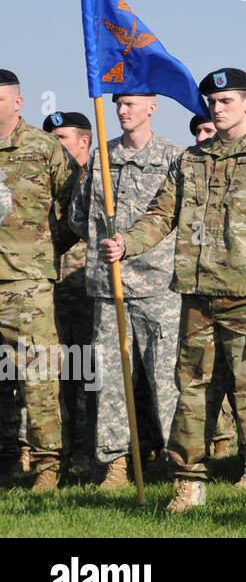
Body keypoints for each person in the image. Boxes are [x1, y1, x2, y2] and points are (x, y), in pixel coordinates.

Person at [99, 68, 246, 516]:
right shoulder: (190, 160)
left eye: (225, 102)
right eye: (211, 103)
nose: (216, 110)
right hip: (198, 298)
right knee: (193, 393)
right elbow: (161, 215)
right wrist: (127, 244)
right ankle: (188, 483)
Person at [69, 94, 184, 490]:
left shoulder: (173, 157)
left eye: (132, 104)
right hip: (109, 286)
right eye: (119, 104)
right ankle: (115, 463)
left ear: (152, 107)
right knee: (112, 381)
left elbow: (182, 216)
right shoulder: (101, 156)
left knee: (167, 379)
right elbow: (78, 214)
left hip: (159, 285)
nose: (122, 111)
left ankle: (178, 465)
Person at [0, 70, 79, 491]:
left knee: (39, 375)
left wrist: (46, 250)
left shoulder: (43, 148)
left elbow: (76, 208)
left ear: (18, 102)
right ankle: (6, 461)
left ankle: (48, 465)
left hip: (26, 283)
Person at [43, 112, 95, 473]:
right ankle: (57, 451)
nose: (53, 145)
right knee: (53, 375)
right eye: (49, 137)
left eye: (61, 138)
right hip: (48, 295)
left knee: (90, 376)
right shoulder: (41, 180)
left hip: (87, 293)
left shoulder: (96, 180)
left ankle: (89, 452)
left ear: (83, 142)